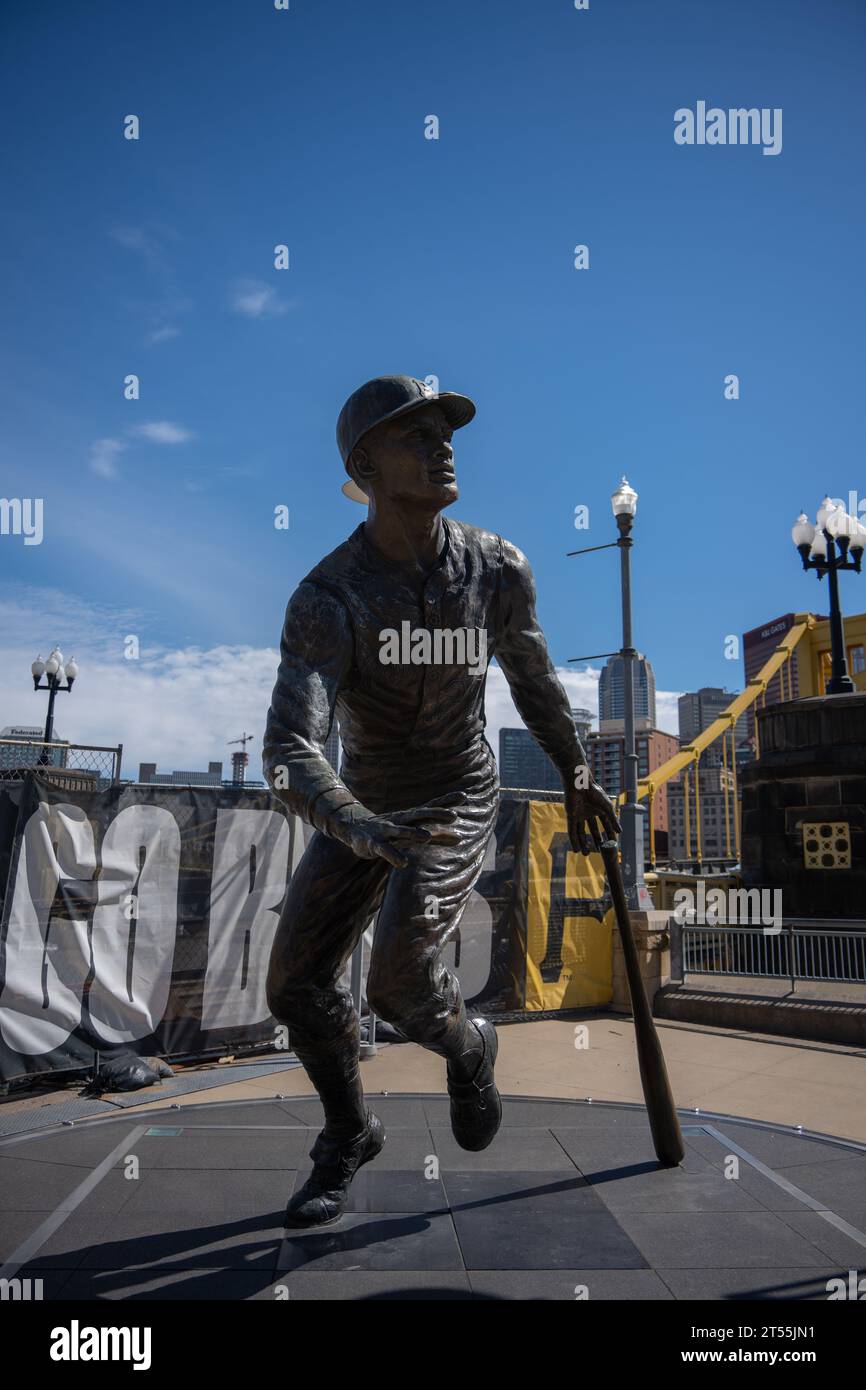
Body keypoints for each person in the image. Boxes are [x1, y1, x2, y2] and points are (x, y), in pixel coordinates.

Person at [263, 375, 620, 1227]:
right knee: (295, 986)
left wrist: (576, 775)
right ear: (365, 464)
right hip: (368, 803)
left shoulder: (496, 568)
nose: (442, 444)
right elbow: (289, 747)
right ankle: (351, 1132)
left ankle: (470, 1044)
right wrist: (353, 821)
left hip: (455, 793)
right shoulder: (329, 597)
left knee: (396, 985)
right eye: (414, 435)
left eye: (444, 430)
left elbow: (535, 682)